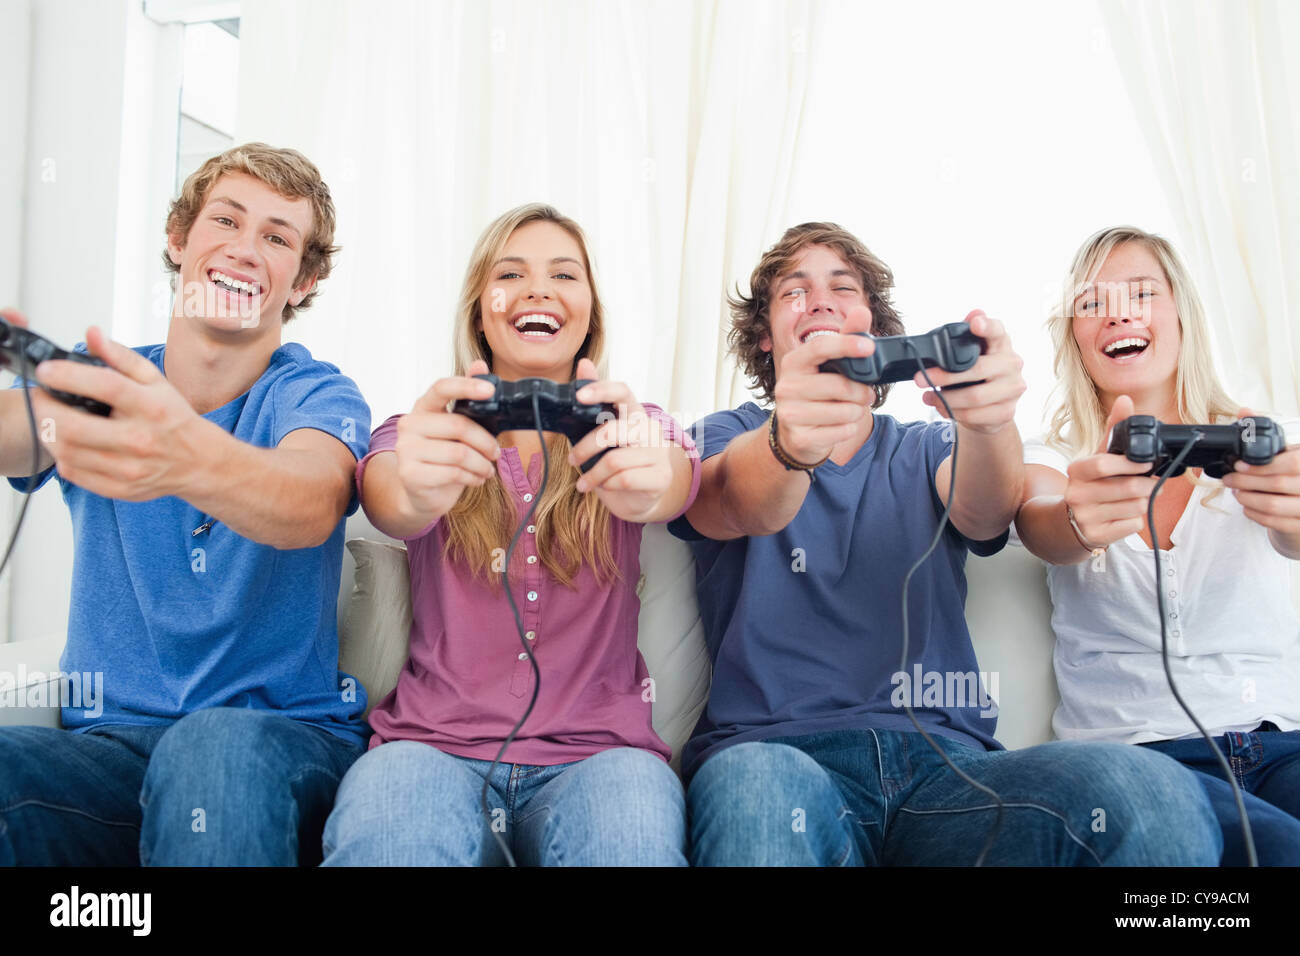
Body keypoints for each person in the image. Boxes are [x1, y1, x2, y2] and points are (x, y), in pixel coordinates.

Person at [668, 221, 1220, 866]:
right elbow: (739, 499)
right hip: (774, 762)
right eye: (795, 292)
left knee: (1150, 790)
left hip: (947, 773)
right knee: (751, 794)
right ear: (765, 336)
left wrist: (988, 424)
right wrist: (790, 442)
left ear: (876, 330)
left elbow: (985, 513)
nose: (819, 300)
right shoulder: (720, 438)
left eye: (842, 288)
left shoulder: (926, 447)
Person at [0, 143, 370, 866]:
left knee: (211, 747)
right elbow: (16, 434)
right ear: (179, 239)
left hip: (275, 746)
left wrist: (184, 455)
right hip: (107, 753)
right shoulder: (108, 383)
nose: (244, 249)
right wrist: (52, 401)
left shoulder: (315, 395)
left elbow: (309, 501)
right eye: (225, 221)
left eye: (276, 237)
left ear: (303, 281)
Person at [321, 203, 698, 866]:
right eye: (512, 273)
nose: (538, 288)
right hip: (429, 750)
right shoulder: (422, 431)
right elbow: (389, 499)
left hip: (601, 758)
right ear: (480, 308)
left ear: (591, 312)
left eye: (564, 274)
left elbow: (668, 478)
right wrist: (415, 487)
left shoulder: (634, 427)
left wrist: (644, 480)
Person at [1012, 225, 1300, 865]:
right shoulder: (1052, 456)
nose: (1117, 312)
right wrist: (1081, 520)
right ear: (1075, 339)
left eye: (1140, 292)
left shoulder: (1272, 441)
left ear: (1180, 314)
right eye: (1092, 303)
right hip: (1137, 755)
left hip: (1282, 740)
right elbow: (1044, 524)